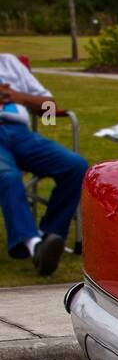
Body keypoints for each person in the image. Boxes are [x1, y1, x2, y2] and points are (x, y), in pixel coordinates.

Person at [0, 53, 88, 276]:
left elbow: (49, 107)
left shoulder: (9, 62)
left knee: (76, 166)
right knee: (8, 176)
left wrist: (17, 96)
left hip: (20, 134)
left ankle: (48, 235)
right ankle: (32, 245)